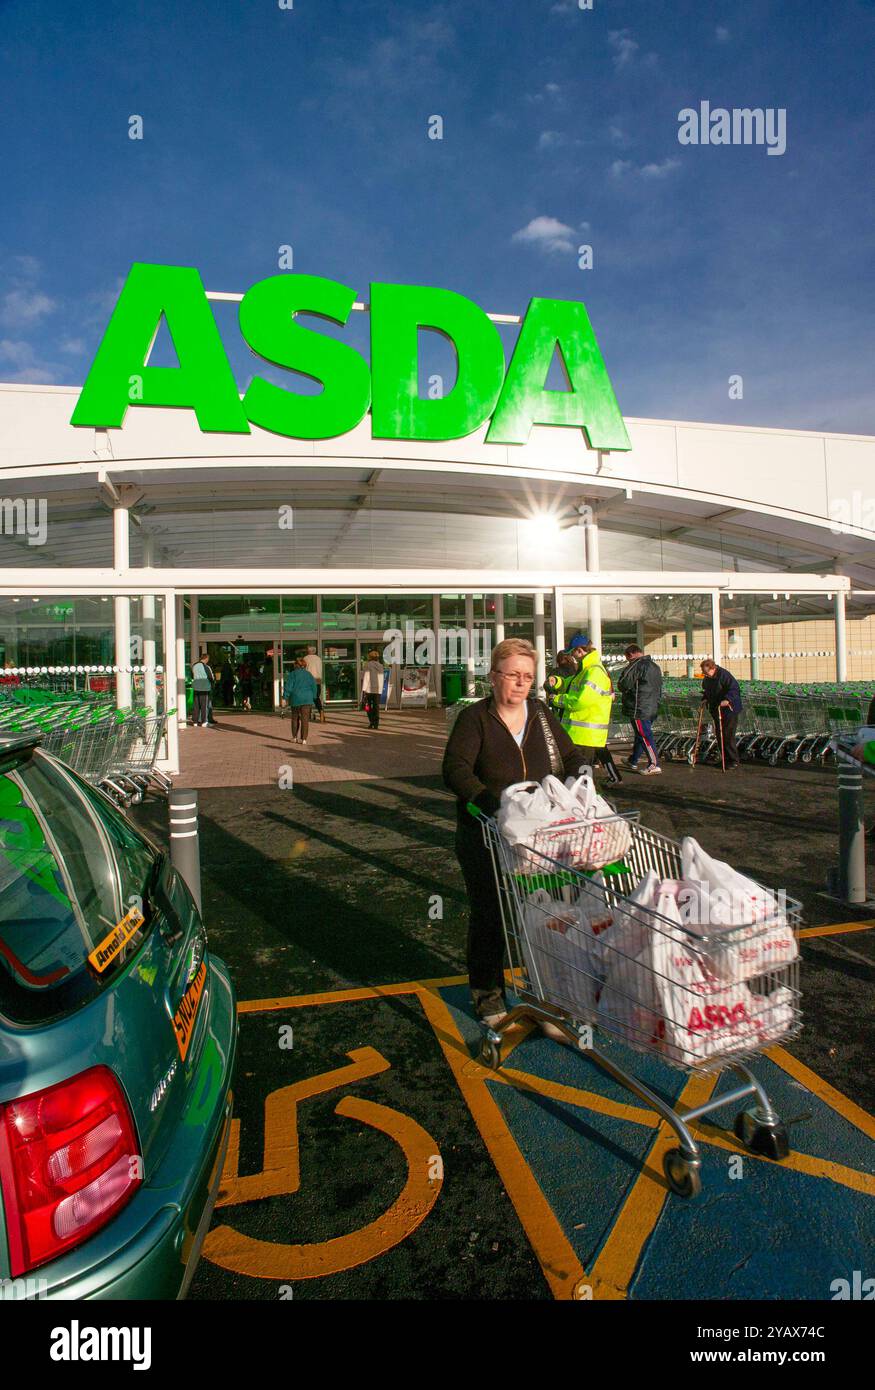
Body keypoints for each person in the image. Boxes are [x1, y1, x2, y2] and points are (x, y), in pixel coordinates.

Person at [442, 637, 594, 1032]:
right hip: (486, 834)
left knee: (545, 915)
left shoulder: (541, 714)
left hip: (540, 841)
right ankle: (489, 995)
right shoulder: (474, 719)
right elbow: (455, 769)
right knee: (491, 915)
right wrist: (488, 801)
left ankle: (547, 996)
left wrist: (580, 782)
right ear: (494, 677)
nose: (521, 683)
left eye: (528, 676)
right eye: (513, 675)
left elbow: (572, 756)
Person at [545, 634, 622, 785]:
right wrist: (558, 681)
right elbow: (571, 684)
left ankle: (584, 805)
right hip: (581, 734)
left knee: (580, 780)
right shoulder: (587, 670)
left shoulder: (593, 672)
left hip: (584, 734)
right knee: (577, 778)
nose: (572, 656)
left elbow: (580, 701)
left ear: (580, 651)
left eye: (573, 652)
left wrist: (557, 700)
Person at [616, 643, 663, 774]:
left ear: (630, 655)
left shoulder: (636, 665)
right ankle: (633, 760)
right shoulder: (655, 666)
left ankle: (654, 764)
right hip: (652, 706)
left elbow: (623, 684)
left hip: (639, 707)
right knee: (640, 735)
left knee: (644, 735)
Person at [700, 659, 743, 769]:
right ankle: (724, 759)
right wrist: (705, 698)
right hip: (716, 708)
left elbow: (734, 689)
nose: (705, 674)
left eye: (706, 672)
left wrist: (728, 699)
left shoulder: (724, 675)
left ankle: (733, 760)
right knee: (719, 735)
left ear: (713, 668)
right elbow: (707, 690)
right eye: (703, 672)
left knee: (728, 734)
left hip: (729, 709)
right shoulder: (708, 678)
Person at [283, 657, 318, 746]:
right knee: (305, 719)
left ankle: (294, 737)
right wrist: (313, 696)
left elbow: (288, 686)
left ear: (296, 665)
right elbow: (314, 686)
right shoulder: (309, 674)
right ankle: (304, 739)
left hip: (296, 698)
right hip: (307, 699)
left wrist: (285, 697)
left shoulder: (292, 674)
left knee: (295, 718)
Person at [191, 651, 215, 728]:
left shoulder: (194, 665)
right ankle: (204, 722)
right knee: (204, 706)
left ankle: (195, 721)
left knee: (196, 705)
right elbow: (211, 677)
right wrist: (212, 685)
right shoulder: (206, 667)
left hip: (196, 687)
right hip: (204, 688)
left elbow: (192, 675)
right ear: (206, 658)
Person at [361, 648, 384, 729]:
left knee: (368, 706)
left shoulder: (368, 665)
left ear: (370, 657)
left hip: (369, 689)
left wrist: (363, 690)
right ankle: (376, 723)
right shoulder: (381, 666)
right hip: (377, 690)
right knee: (376, 707)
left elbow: (366, 677)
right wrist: (380, 689)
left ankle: (371, 722)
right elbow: (381, 678)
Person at [303, 644, 325, 722]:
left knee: (307, 699)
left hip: (308, 681)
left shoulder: (305, 658)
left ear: (308, 651)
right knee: (316, 698)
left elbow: (303, 670)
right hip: (317, 681)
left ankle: (308, 714)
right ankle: (321, 711)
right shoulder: (319, 659)